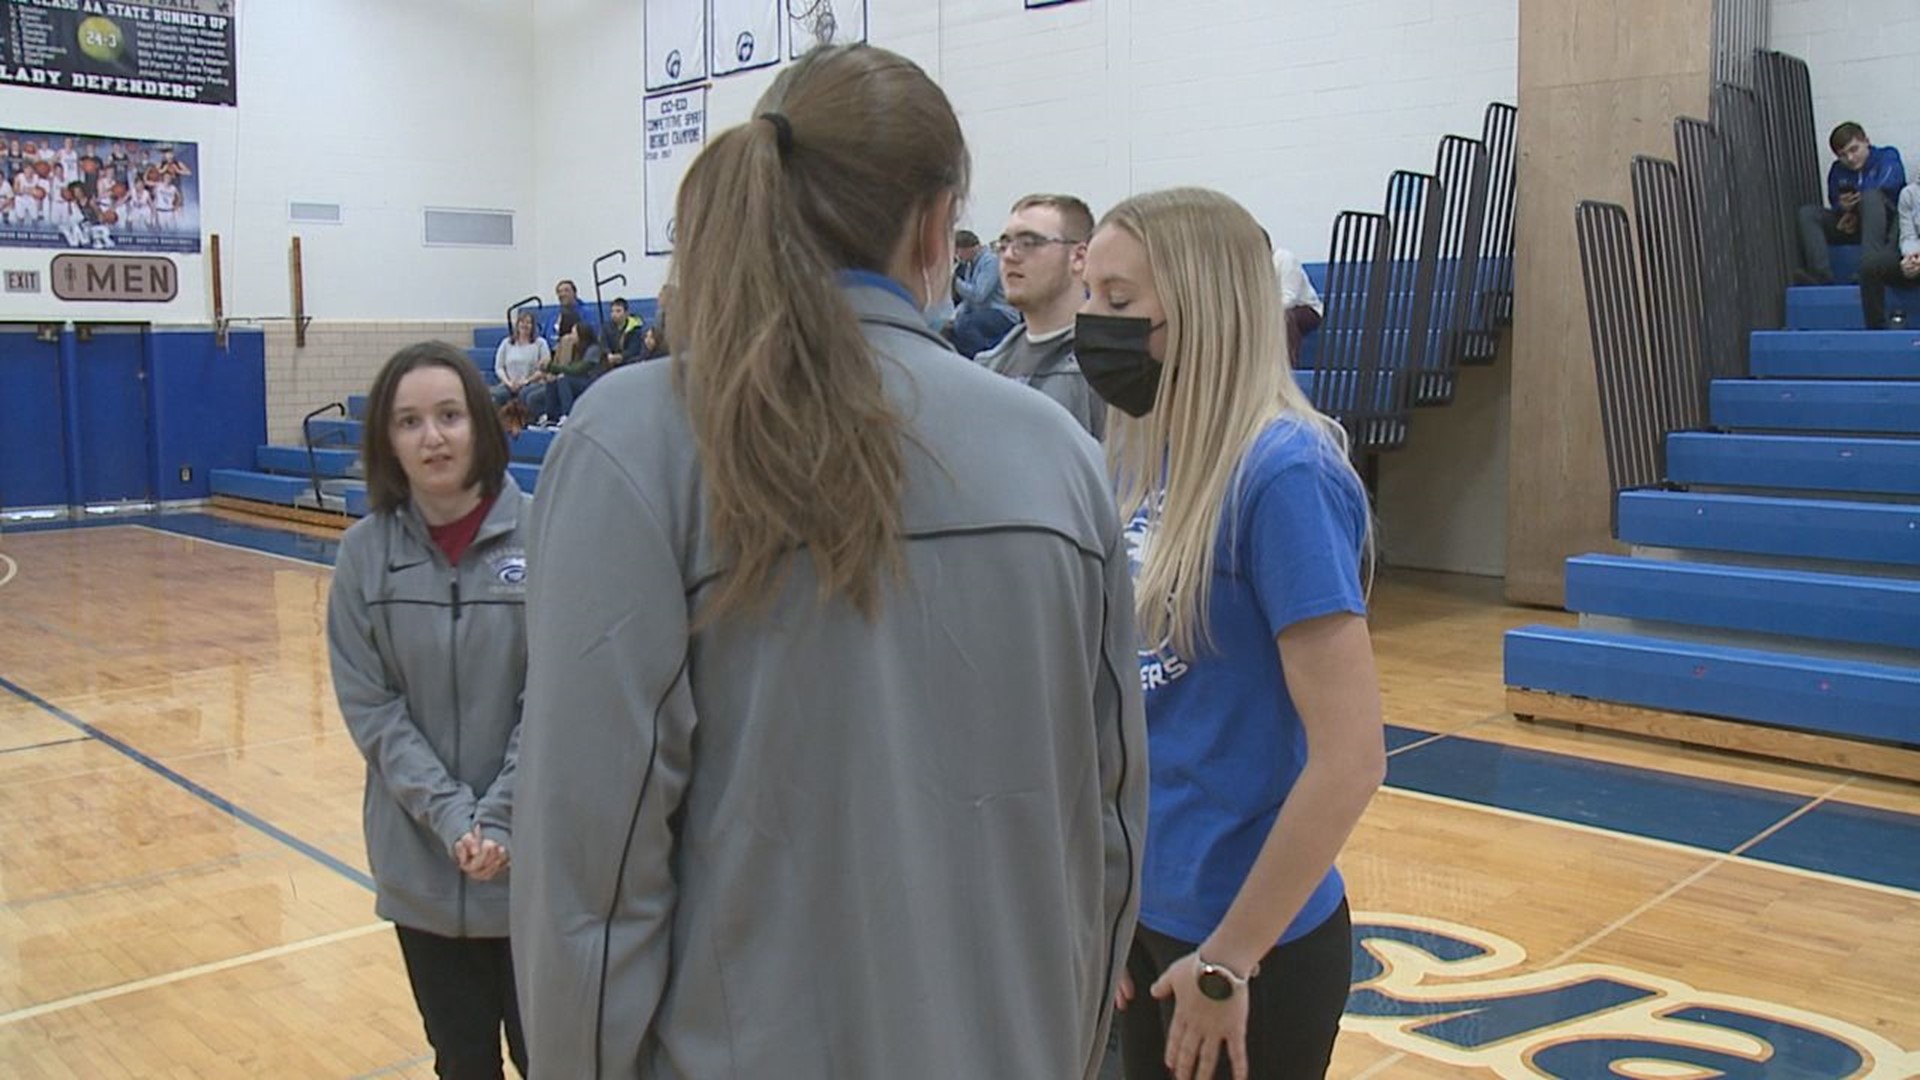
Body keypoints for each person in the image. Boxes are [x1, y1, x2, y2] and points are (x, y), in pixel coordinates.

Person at [511, 43, 1147, 1080]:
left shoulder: (637, 440)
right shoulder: (1063, 461)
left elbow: (594, 872)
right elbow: (1107, 836)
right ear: (939, 229)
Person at [1081, 187, 1385, 1080]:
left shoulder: (1284, 474)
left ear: (1202, 311)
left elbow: (1352, 758)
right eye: (1090, 294)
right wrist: (1108, 900)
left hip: (1249, 950)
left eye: (1119, 301)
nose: (1093, 323)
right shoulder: (1147, 459)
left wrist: (1229, 959)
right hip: (1147, 919)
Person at [327, 342, 531, 1080]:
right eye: (409, 421)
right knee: (462, 1062)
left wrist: (501, 819)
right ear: (387, 440)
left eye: (449, 415)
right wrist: (454, 820)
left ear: (480, 423)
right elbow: (373, 710)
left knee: (556, 1057)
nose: (433, 437)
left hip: (535, 870)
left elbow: (556, 698)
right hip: (421, 866)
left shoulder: (549, 535)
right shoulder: (363, 557)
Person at [976, 193, 1105, 439]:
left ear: (1079, 257)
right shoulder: (988, 366)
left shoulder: (1108, 370)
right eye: (1004, 244)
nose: (1009, 255)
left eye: (1029, 242)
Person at [1796, 122, 1906, 285]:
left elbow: (1889, 183)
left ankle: (1869, 270)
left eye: (1854, 149)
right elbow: (1834, 199)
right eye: (1842, 155)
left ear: (1866, 141)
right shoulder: (1837, 169)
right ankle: (1821, 276)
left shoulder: (1887, 156)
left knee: (1871, 197)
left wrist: (1856, 206)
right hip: (1852, 225)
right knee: (1808, 213)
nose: (1850, 158)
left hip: (1886, 223)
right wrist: (1843, 208)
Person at [1860, 178, 1920, 329]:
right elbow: (1908, 235)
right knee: (1871, 267)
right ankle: (1877, 331)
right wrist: (1910, 257)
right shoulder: (1909, 193)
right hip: (1915, 258)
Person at [951, 227, 1020, 357]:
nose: (957, 256)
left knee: (965, 325)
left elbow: (979, 295)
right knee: (953, 329)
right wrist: (952, 317)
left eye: (958, 251)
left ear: (968, 248)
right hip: (983, 312)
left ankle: (986, 358)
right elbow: (968, 301)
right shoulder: (970, 264)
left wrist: (954, 282)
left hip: (1002, 313)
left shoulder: (991, 261)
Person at [527, 319, 601, 424]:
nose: (571, 336)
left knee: (563, 379)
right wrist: (551, 372)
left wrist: (551, 367)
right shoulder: (576, 348)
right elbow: (569, 367)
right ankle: (550, 416)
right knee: (553, 380)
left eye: (573, 333)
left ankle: (567, 415)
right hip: (577, 381)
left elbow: (578, 369)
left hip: (591, 383)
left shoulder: (593, 349)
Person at [492, 309, 552, 408]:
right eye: (522, 322)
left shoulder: (540, 343)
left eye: (528, 322)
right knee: (495, 396)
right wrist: (509, 383)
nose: (525, 325)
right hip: (509, 383)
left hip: (531, 383)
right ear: (517, 325)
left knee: (524, 395)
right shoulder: (506, 343)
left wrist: (525, 381)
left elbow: (544, 369)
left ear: (533, 326)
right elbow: (499, 367)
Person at [1272, 245, 1324, 359]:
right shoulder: (1251, 268)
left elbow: (1290, 298)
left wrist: (1265, 313)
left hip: (1305, 308)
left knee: (1286, 317)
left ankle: (1287, 363)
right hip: (1271, 311)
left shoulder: (1284, 259)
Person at [599, 296, 647, 370]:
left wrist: (621, 356)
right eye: (612, 311)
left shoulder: (635, 328)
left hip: (629, 363)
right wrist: (609, 354)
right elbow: (603, 344)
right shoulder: (606, 327)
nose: (614, 314)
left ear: (626, 313)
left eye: (618, 311)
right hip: (610, 362)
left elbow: (634, 349)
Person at [545, 278, 597, 346]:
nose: (562, 294)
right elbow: (545, 336)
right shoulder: (553, 315)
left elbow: (593, 334)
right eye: (559, 292)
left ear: (575, 293)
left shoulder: (587, 313)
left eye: (566, 290)